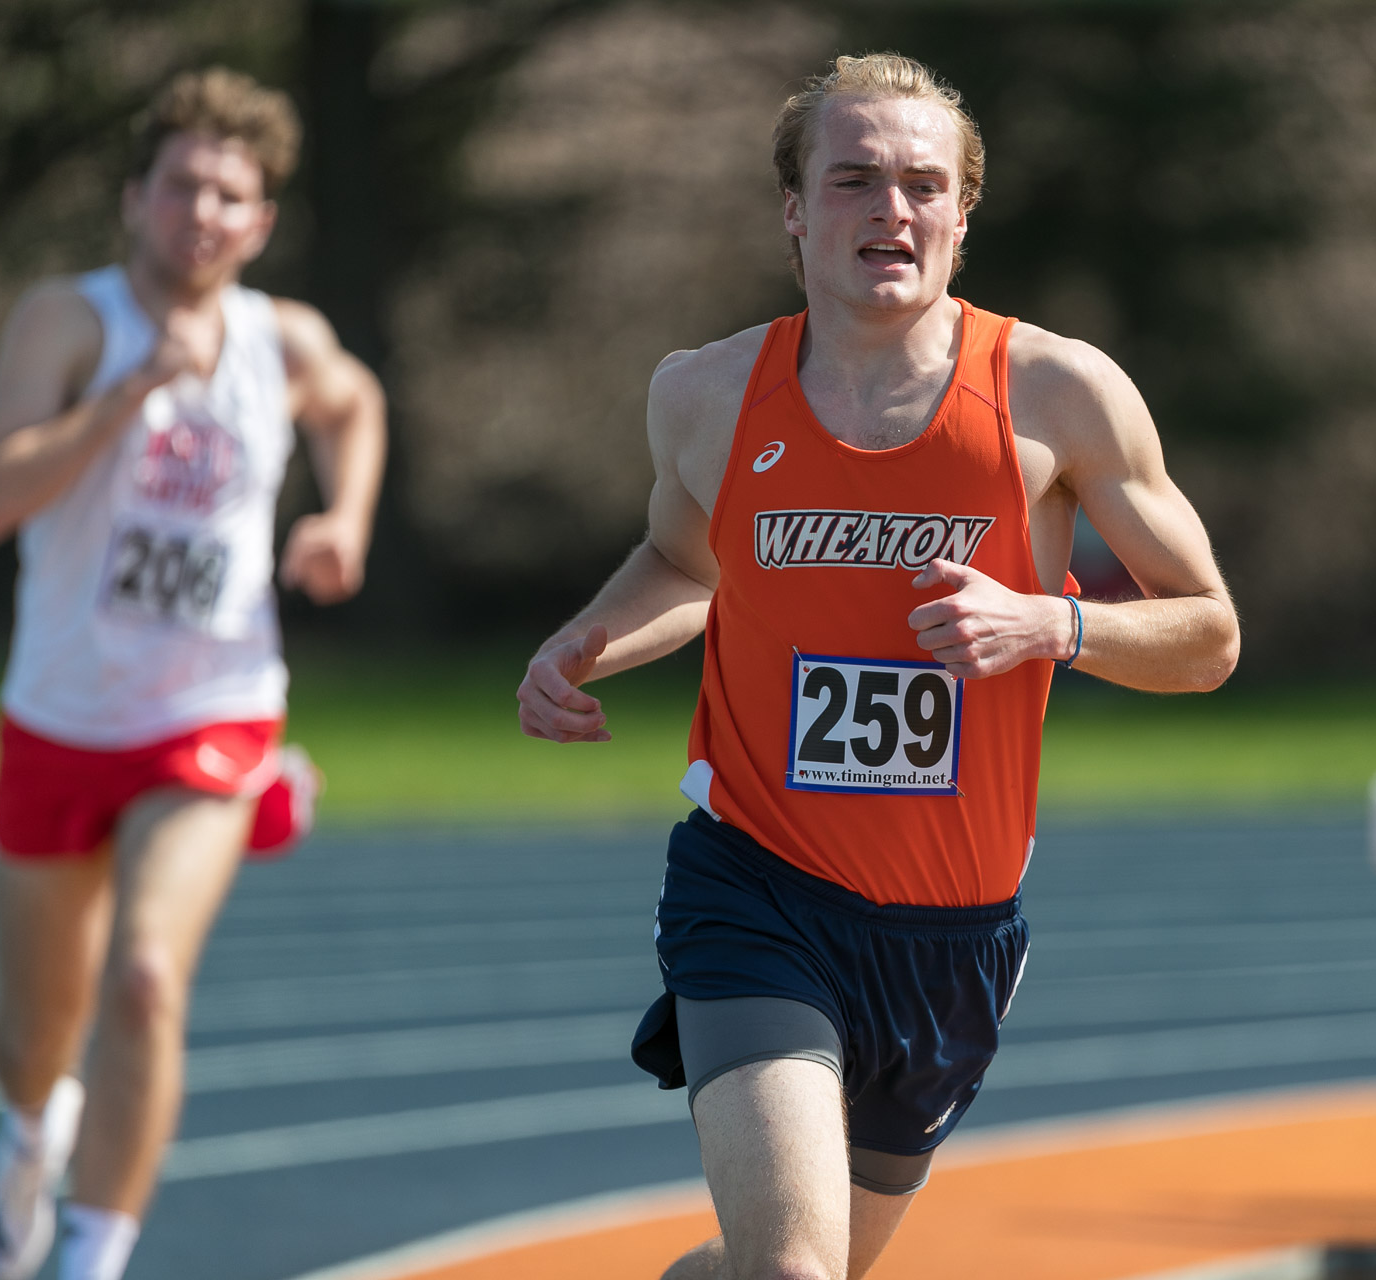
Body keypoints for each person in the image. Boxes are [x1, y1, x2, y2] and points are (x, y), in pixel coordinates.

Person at [517, 52, 1239, 1280]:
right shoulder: (705, 395)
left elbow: (1211, 634)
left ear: (963, 213)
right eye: (853, 180)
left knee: (791, 1269)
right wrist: (581, 642)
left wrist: (1051, 625)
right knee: (794, 1269)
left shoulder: (1056, 394)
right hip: (758, 888)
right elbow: (685, 563)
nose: (890, 210)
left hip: (950, 938)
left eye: (922, 184)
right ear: (795, 210)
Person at [0, 68, 385, 1280]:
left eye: (229, 195)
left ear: (260, 221)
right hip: (60, 716)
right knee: (30, 1038)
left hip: (212, 708)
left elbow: (355, 403)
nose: (202, 212)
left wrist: (345, 518)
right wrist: (127, 397)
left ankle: (93, 1255)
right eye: (182, 186)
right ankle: (32, 1130)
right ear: (134, 199)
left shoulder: (281, 338)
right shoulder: (69, 322)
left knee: (147, 975)